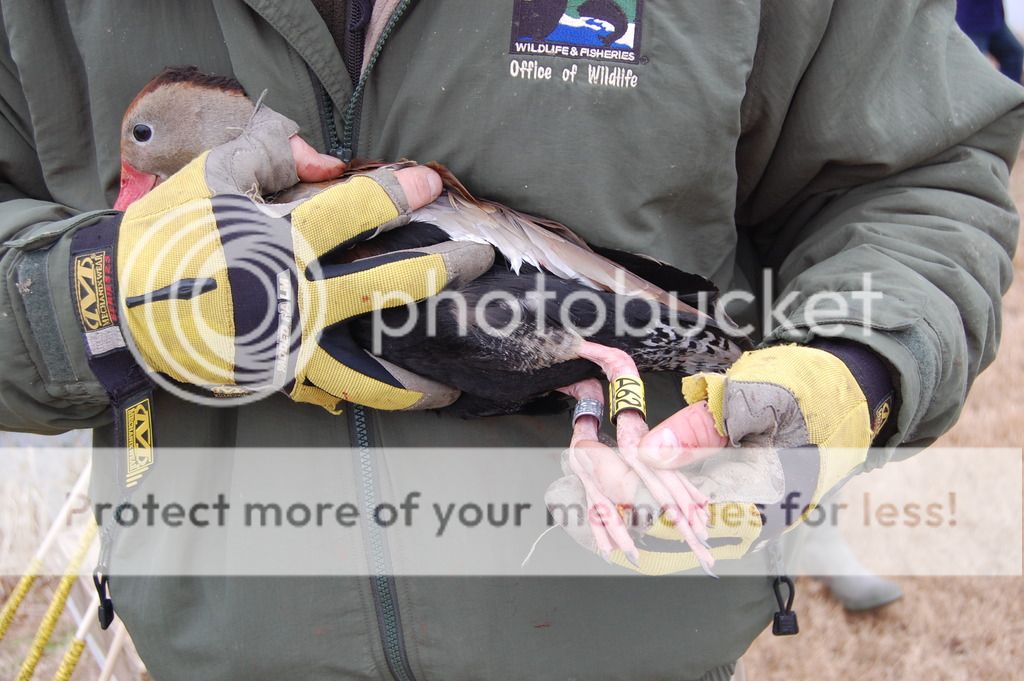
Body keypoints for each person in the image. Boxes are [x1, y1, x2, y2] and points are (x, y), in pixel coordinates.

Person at [0, 2, 1021, 680]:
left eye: (140, 150)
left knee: (595, 346)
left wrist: (855, 369)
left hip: (624, 635)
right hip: (214, 649)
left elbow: (914, 177)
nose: (128, 183)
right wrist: (91, 298)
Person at [956, 0, 1024, 83]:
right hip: (971, 23)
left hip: (994, 20)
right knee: (973, 65)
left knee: (1014, 53)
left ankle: (1006, 89)